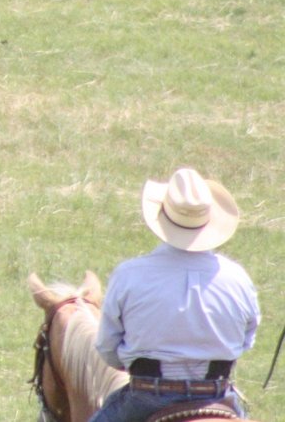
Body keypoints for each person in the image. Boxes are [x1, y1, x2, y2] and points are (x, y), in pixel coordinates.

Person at [91, 167, 259, 422]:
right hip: (218, 394)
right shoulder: (238, 278)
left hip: (146, 397)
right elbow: (246, 340)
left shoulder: (128, 275)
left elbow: (107, 347)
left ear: (161, 217)